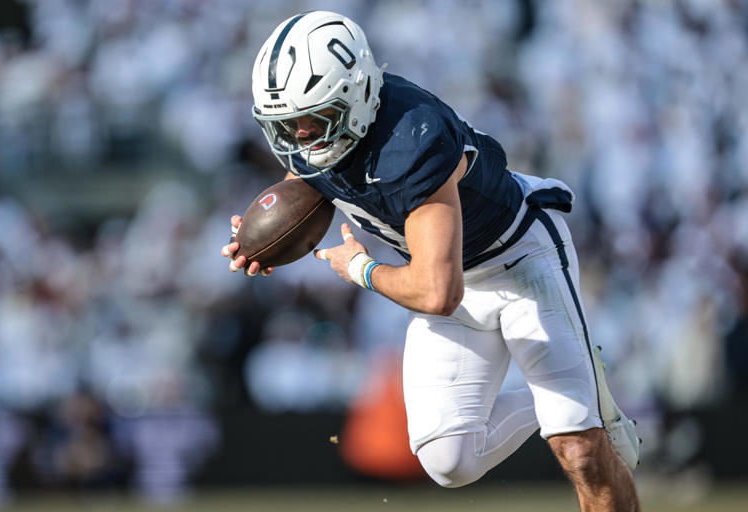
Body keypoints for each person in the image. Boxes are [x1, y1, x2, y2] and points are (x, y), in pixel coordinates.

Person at [222, 11, 641, 511]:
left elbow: (438, 293)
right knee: (448, 459)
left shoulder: (411, 139)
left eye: (316, 119)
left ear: (356, 96)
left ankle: (576, 410)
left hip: (519, 257)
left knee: (579, 450)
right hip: (449, 273)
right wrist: (264, 237)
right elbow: (309, 182)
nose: (301, 136)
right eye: (288, 124)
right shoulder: (311, 130)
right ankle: (577, 392)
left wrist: (360, 269)